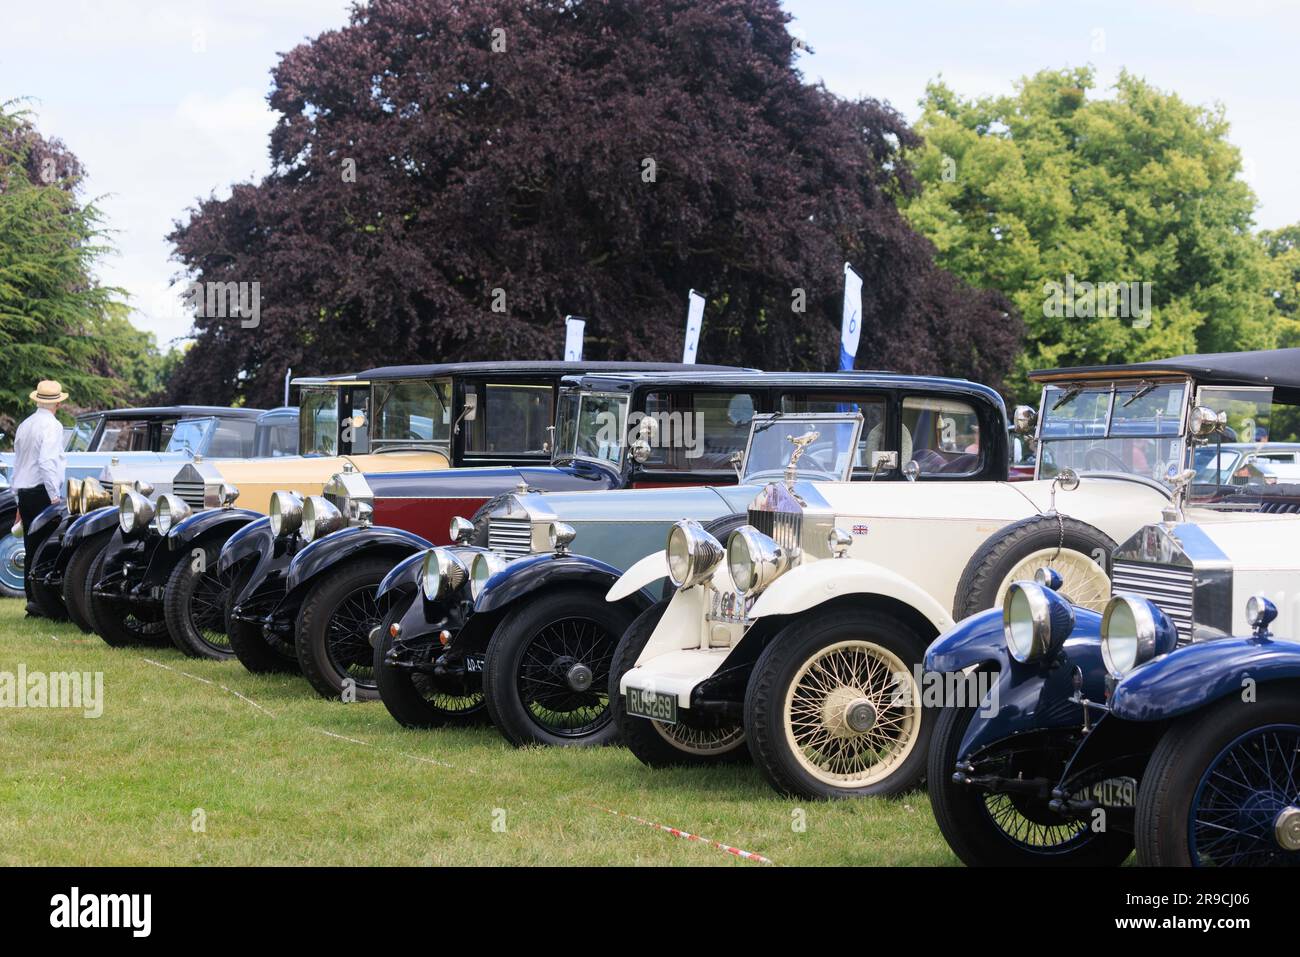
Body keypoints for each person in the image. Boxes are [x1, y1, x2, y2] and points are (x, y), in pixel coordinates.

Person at [12, 380, 68, 611]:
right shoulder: (53, 426)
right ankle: (45, 602)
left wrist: (17, 498)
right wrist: (54, 496)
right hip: (43, 492)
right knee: (47, 549)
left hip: (25, 492)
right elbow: (46, 462)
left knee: (31, 547)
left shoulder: (25, 424)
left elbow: (18, 463)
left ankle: (32, 600)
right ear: (58, 404)